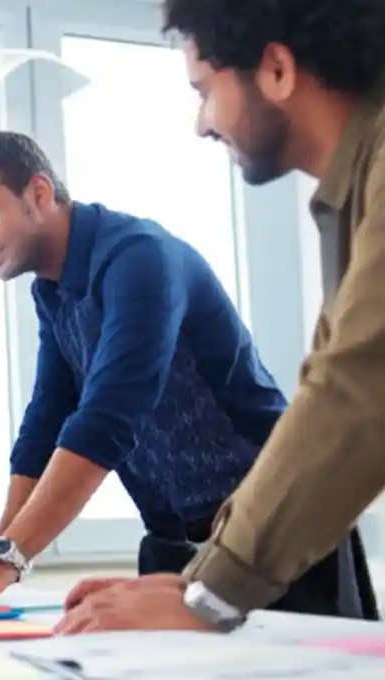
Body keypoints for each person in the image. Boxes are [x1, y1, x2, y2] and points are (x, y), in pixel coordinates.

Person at [0, 131, 374, 620]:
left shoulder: (139, 257)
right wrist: (0, 557)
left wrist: (8, 559)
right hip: (177, 545)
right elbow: (45, 422)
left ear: (38, 194)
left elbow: (108, 416)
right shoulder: (51, 291)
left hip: (274, 537)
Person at [59, 0, 385, 634]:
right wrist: (198, 580)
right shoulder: (355, 188)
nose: (201, 125)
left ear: (277, 70)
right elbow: (331, 382)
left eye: (205, 91)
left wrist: (209, 592)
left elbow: (359, 388)